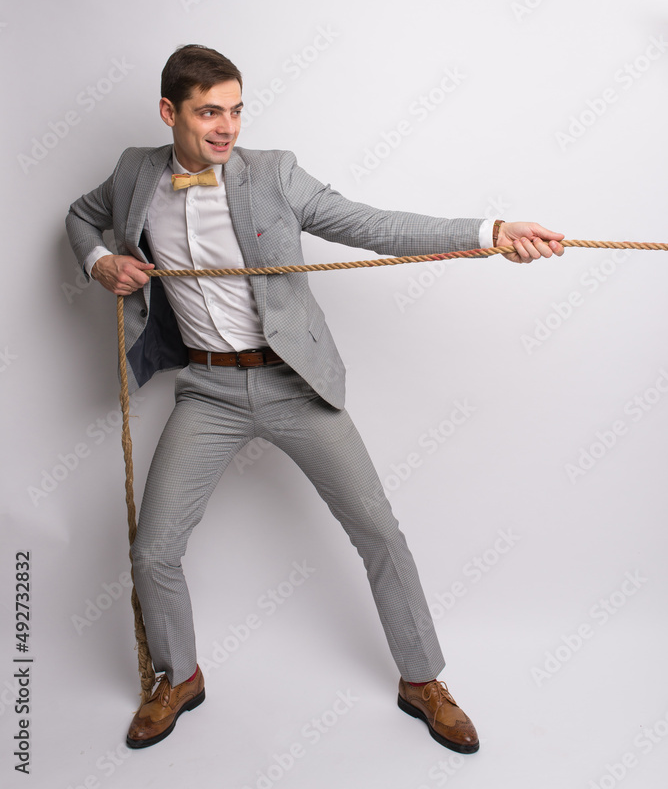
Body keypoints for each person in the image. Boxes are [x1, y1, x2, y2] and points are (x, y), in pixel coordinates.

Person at [66, 44, 564, 754]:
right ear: (168, 112)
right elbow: (80, 217)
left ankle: (422, 680)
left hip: (293, 383)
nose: (227, 127)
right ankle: (179, 676)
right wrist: (102, 262)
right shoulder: (133, 172)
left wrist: (491, 233)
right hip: (206, 390)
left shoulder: (274, 174)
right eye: (210, 112)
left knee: (379, 531)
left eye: (236, 110)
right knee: (153, 551)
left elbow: (374, 226)